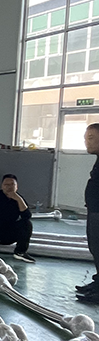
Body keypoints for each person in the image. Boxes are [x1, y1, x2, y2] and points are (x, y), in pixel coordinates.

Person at [0, 174, 35, 262]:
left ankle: (20, 252)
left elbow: (27, 216)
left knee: (27, 223)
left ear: (16, 187)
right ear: (2, 186)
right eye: (6, 184)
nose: (9, 187)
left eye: (12, 184)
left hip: (11, 233)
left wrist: (18, 199)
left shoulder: (19, 199)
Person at [76, 123, 99, 301]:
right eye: (85, 138)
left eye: (91, 138)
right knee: (95, 248)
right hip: (94, 210)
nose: (86, 142)